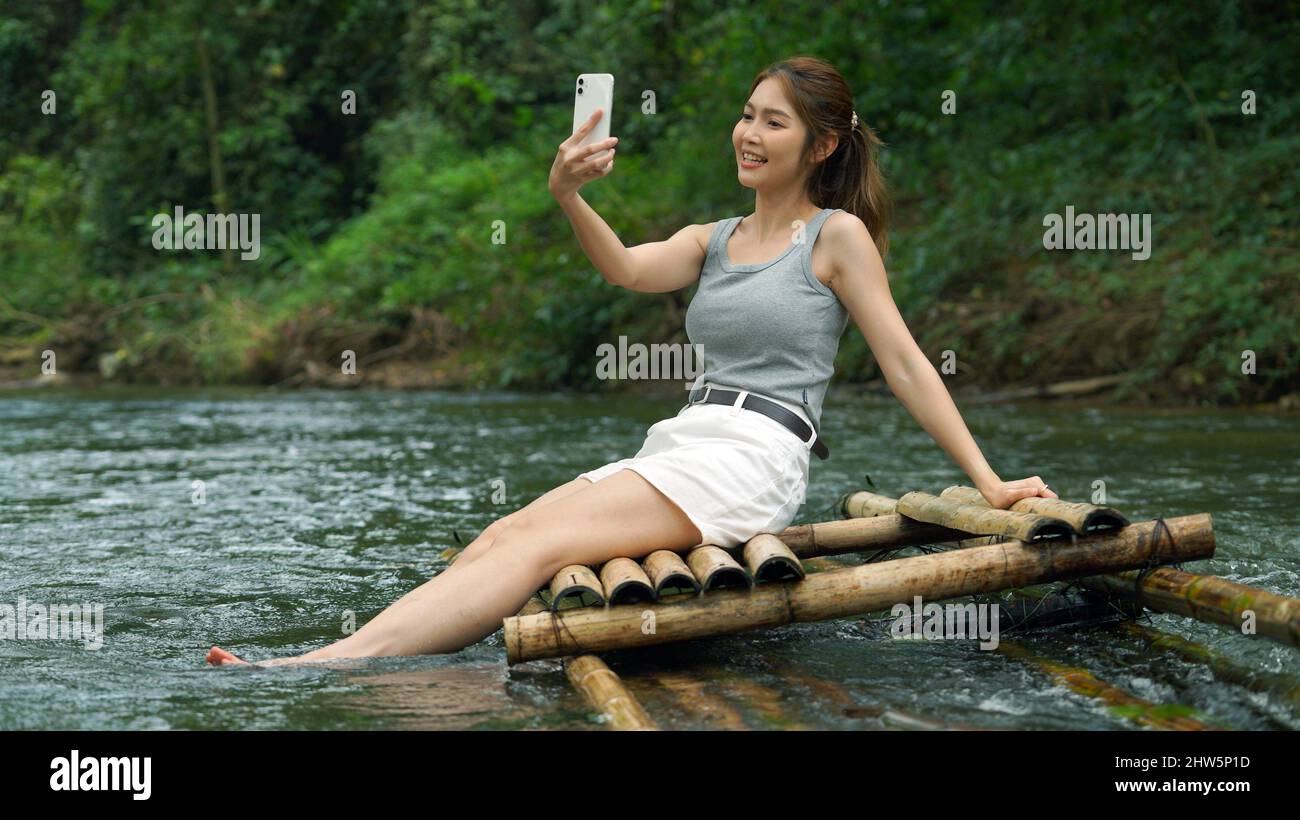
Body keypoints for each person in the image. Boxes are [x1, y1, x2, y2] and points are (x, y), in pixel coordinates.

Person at [206, 55, 1056, 668]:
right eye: (747, 114)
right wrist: (569, 194)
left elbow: (906, 362)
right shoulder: (713, 238)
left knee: (531, 554)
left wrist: (988, 482)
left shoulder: (835, 238)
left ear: (823, 145)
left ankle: (321, 665)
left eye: (774, 121)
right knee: (505, 534)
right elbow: (625, 267)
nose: (749, 133)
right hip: (686, 440)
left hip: (755, 457)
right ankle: (372, 652)